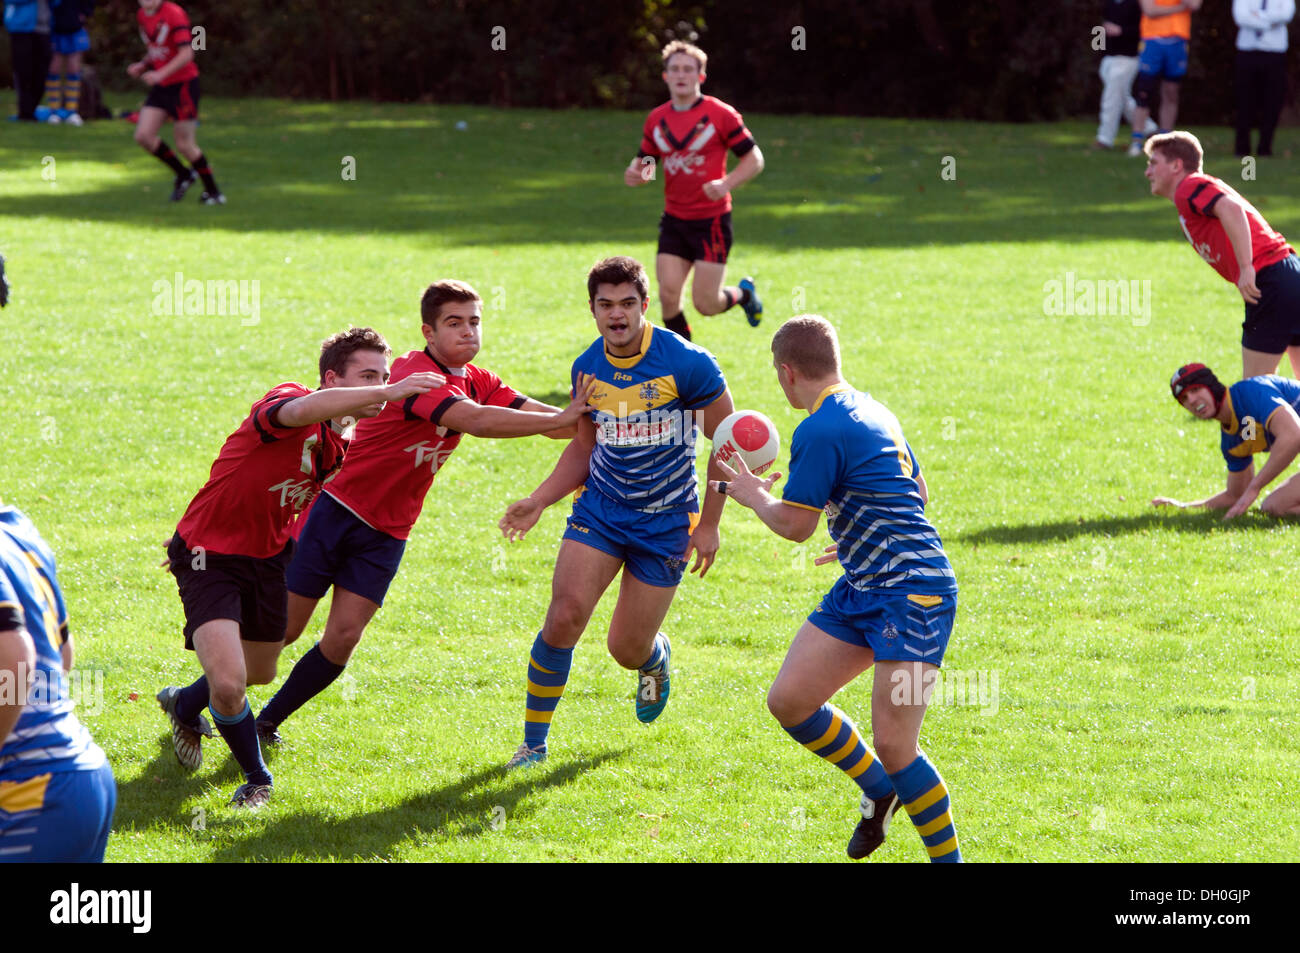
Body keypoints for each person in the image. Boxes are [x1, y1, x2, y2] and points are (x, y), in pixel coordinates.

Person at [253, 281, 592, 744]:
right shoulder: (418, 374)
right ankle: (193, 701)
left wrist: (597, 412)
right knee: (282, 632)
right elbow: (475, 420)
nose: (468, 332)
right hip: (335, 510)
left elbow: (550, 424)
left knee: (344, 637)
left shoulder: (479, 380)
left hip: (389, 531)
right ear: (428, 332)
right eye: (454, 323)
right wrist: (561, 419)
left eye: (474, 321)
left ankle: (265, 723)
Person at [708, 315, 961, 862]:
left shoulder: (819, 428)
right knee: (791, 701)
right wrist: (856, 533)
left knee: (897, 745)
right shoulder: (874, 409)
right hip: (864, 585)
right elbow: (914, 488)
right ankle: (879, 790)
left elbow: (795, 527)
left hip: (915, 594)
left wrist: (750, 494)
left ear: (787, 371)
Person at [158, 328, 444, 808]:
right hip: (211, 556)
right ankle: (257, 779)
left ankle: (184, 704)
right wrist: (390, 392)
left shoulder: (340, 443)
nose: (380, 386)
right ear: (332, 380)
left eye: (385, 375)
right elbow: (294, 414)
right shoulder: (291, 400)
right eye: (367, 376)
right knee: (229, 685)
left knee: (259, 671)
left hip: (268, 561)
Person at [497, 255, 735, 768]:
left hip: (668, 521)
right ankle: (533, 744)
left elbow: (732, 442)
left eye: (627, 303)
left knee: (626, 649)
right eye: (605, 305)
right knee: (564, 617)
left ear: (645, 305)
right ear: (593, 310)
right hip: (601, 510)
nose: (617, 315)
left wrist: (711, 523)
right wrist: (539, 500)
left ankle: (654, 660)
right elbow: (584, 448)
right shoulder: (587, 368)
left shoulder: (689, 363)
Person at [624, 40, 764, 341]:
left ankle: (743, 294)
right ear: (665, 76)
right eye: (674, 69)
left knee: (706, 304)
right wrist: (638, 174)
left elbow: (755, 159)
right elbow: (649, 164)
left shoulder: (721, 114)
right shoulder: (657, 119)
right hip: (674, 219)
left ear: (701, 76)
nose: (681, 75)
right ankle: (686, 368)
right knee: (668, 297)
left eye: (688, 69)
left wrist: (726, 184)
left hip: (711, 221)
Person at [1, 502, 116, 862]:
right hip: (81, 774)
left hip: (28, 790)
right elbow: (63, 656)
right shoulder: (17, 531)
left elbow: (16, 661)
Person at [1143, 131, 1300, 378]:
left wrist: (1246, 267)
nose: (1147, 172)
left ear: (1176, 165)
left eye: (1153, 163)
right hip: (1288, 273)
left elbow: (1232, 207)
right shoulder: (1189, 200)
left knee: (1256, 391)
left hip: (1271, 278)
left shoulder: (1189, 186)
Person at [1154, 362, 1300, 518]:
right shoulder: (1235, 438)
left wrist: (1254, 487)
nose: (1192, 400)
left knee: (1274, 506)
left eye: (1195, 390)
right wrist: (1184, 507)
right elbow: (1235, 495)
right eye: (1184, 398)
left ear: (1212, 386)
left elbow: (1293, 435)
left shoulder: (1249, 392)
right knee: (1274, 507)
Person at [128, 0, 224, 204]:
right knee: (143, 135)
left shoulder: (174, 13)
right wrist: (143, 65)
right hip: (162, 85)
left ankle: (214, 192)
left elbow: (187, 53)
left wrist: (160, 73)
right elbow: (158, 48)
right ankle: (184, 174)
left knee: (185, 144)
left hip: (183, 86)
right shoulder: (142, 15)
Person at [1127, 0, 1202, 157]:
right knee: (1144, 93)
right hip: (1152, 40)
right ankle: (1137, 142)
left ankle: (1166, 142)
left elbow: (1194, 4)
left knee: (1171, 91)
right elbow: (1150, 10)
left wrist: (1169, 8)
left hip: (1178, 41)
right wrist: (1180, 7)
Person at [1233, 0, 1295, 158]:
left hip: (1274, 53)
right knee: (1244, 101)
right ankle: (1242, 148)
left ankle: (1265, 148)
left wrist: (1257, 15)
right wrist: (1270, 21)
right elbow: (1240, 17)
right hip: (1247, 52)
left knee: (1272, 102)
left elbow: (1286, 15)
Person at [1094, 0, 1157, 150]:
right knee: (1120, 97)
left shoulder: (1136, 4)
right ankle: (1149, 128)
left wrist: (1121, 31)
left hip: (1127, 58)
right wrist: (1099, 50)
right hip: (1108, 58)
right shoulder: (1108, 4)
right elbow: (1099, 28)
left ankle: (1104, 138)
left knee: (1111, 98)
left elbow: (1142, 30)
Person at [44, 0, 93, 125]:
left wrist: (85, 13)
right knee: (53, 70)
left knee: (74, 69)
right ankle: (53, 111)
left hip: (75, 28)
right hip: (55, 29)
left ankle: (71, 111)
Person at [5, 0, 52, 122]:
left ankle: (31, 109)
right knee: (23, 72)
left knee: (42, 72)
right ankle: (25, 113)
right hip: (21, 28)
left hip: (45, 28)